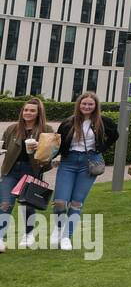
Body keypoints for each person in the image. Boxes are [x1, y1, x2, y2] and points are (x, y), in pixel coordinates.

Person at [51, 92, 118, 251]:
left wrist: (101, 149)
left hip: (89, 163)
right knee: (60, 201)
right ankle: (59, 228)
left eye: (90, 104)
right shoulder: (68, 122)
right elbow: (58, 142)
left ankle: (67, 236)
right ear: (79, 105)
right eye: (84, 104)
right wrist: (51, 156)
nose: (87, 107)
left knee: (76, 203)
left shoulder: (102, 122)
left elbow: (115, 135)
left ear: (95, 106)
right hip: (68, 162)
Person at [0, 98, 57, 250]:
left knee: (28, 203)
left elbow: (51, 153)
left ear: (39, 113)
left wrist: (40, 147)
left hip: (31, 169)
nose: (28, 113)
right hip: (10, 170)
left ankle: (29, 234)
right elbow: (4, 145)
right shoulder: (13, 128)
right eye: (26, 110)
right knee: (5, 203)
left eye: (32, 110)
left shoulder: (47, 130)